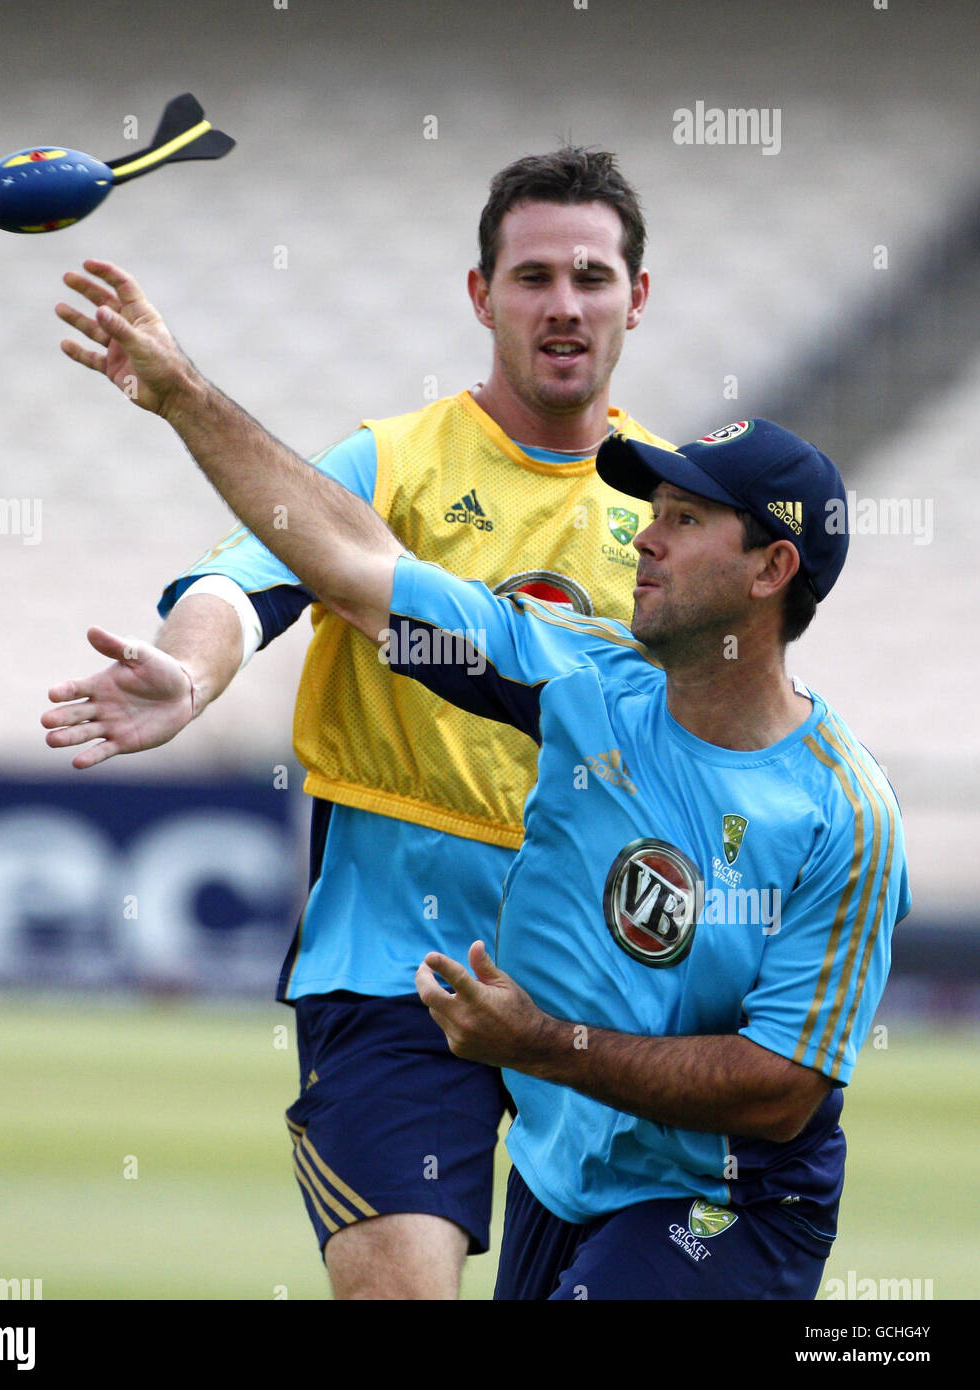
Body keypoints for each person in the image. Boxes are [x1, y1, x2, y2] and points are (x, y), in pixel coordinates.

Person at [50, 271, 910, 1297]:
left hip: (732, 1204)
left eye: (683, 520)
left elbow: (778, 1092)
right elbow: (353, 563)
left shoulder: (843, 814)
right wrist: (181, 391)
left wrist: (544, 1045)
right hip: (565, 1180)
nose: (646, 537)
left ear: (771, 571)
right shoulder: (580, 684)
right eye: (653, 510)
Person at [42, 149, 672, 1299]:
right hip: (396, 958)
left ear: (638, 295)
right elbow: (247, 582)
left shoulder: (672, 511)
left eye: (592, 274)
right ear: (481, 296)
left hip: (598, 977)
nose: (564, 302)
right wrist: (188, 677)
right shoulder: (388, 463)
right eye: (532, 276)